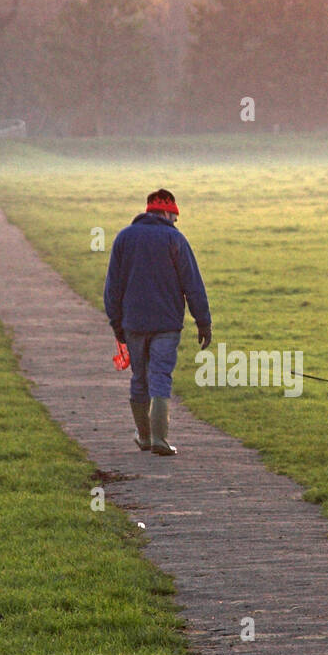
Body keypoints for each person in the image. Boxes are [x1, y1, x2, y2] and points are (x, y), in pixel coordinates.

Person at [103, 188, 212, 456]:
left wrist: (116, 322)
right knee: (161, 376)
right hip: (167, 324)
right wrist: (203, 322)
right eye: (175, 217)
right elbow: (193, 284)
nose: (176, 222)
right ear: (167, 213)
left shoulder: (124, 238)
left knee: (139, 378)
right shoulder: (175, 239)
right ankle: (160, 440)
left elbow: (112, 286)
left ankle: (144, 437)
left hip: (134, 323)